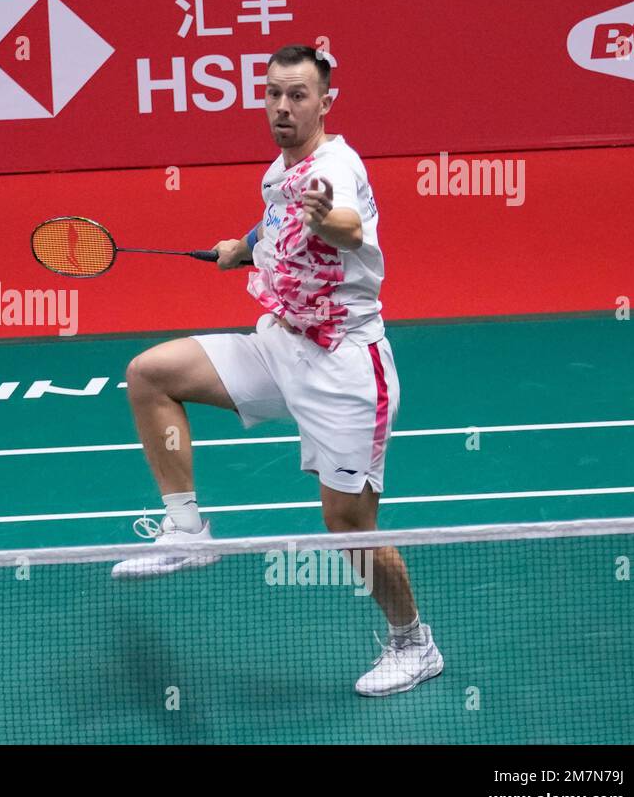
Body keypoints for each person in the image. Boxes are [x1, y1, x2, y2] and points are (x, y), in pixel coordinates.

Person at [111, 45, 442, 697]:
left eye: (297, 95)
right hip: (279, 345)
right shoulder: (277, 175)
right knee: (150, 375)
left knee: (348, 526)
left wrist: (330, 220)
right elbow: (276, 223)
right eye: (272, 94)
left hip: (346, 369)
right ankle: (188, 531)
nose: (283, 107)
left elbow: (344, 224)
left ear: (325, 102)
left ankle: (415, 644)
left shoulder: (334, 170)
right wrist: (245, 246)